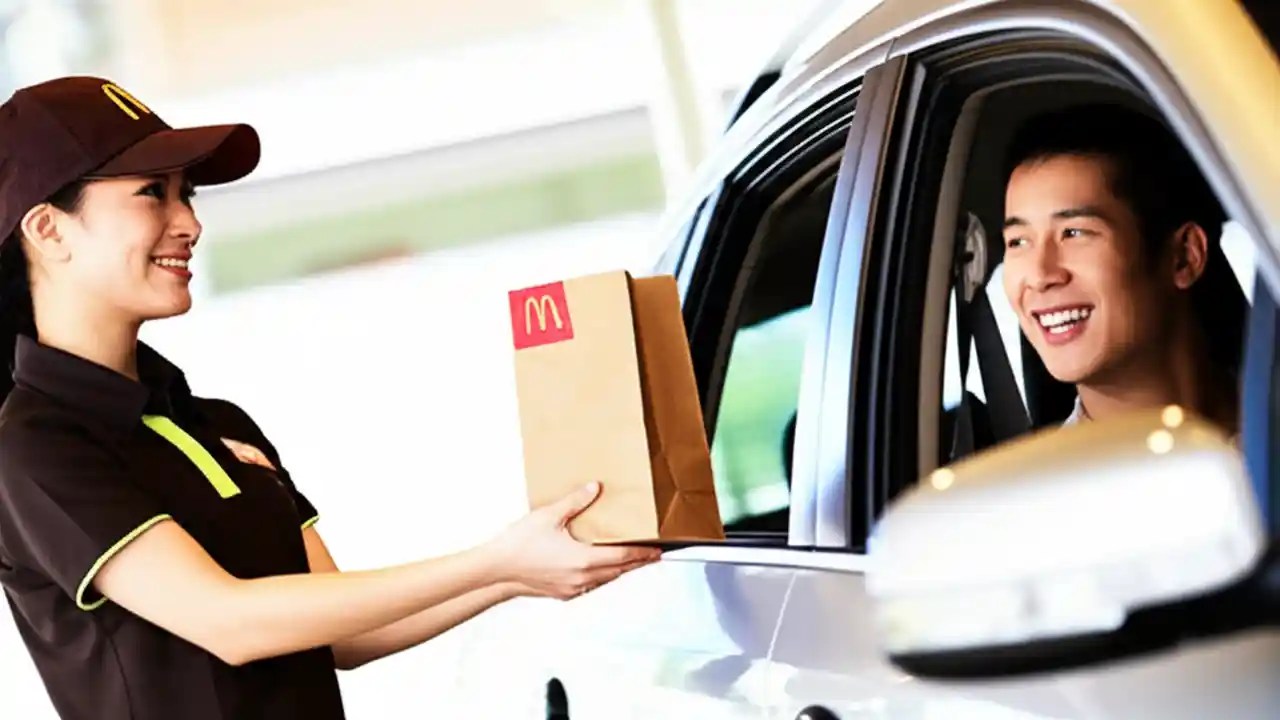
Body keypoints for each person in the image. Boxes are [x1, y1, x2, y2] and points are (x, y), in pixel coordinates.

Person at [0, 76, 660, 720]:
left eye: (188, 194)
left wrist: (520, 574)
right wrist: (496, 560)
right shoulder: (31, 445)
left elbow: (341, 632)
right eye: (153, 193)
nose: (190, 223)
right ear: (49, 230)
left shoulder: (215, 422)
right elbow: (226, 621)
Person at [1000, 103, 1244, 435]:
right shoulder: (1039, 485)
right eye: (1017, 242)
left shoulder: (1265, 428)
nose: (1041, 275)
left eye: (1074, 233)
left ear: (1184, 257)